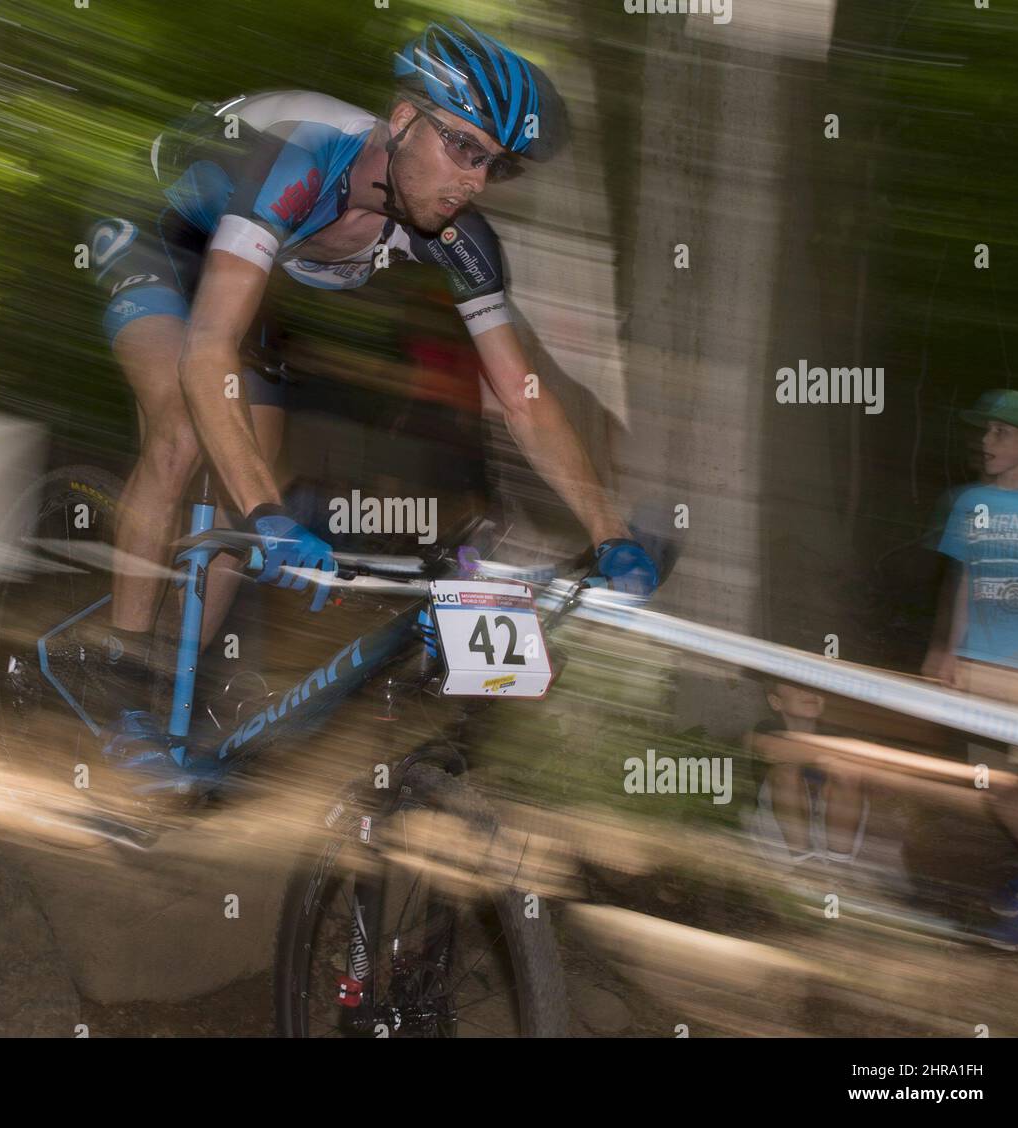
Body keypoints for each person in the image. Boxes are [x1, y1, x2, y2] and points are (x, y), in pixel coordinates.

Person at [87, 20, 661, 776]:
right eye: (464, 148)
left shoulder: (458, 236)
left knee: (245, 488)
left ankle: (173, 695)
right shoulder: (303, 155)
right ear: (401, 121)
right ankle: (123, 675)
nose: (476, 181)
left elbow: (523, 397)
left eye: (496, 165)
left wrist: (607, 526)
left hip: (249, 264)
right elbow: (209, 350)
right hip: (161, 238)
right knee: (186, 436)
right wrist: (271, 515)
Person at [923, 389, 1018, 948]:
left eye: (1001, 434)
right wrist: (948, 648)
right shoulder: (973, 503)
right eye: (986, 432)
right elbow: (963, 578)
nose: (986, 442)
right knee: (993, 784)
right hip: (982, 670)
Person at [745, 680, 870, 870]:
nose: (809, 691)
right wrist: (830, 755)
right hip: (782, 824)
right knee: (785, 771)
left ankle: (839, 865)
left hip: (834, 822)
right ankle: (803, 863)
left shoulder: (837, 733)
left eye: (815, 684)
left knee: (848, 772)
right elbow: (779, 754)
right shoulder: (766, 729)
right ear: (776, 702)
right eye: (796, 684)